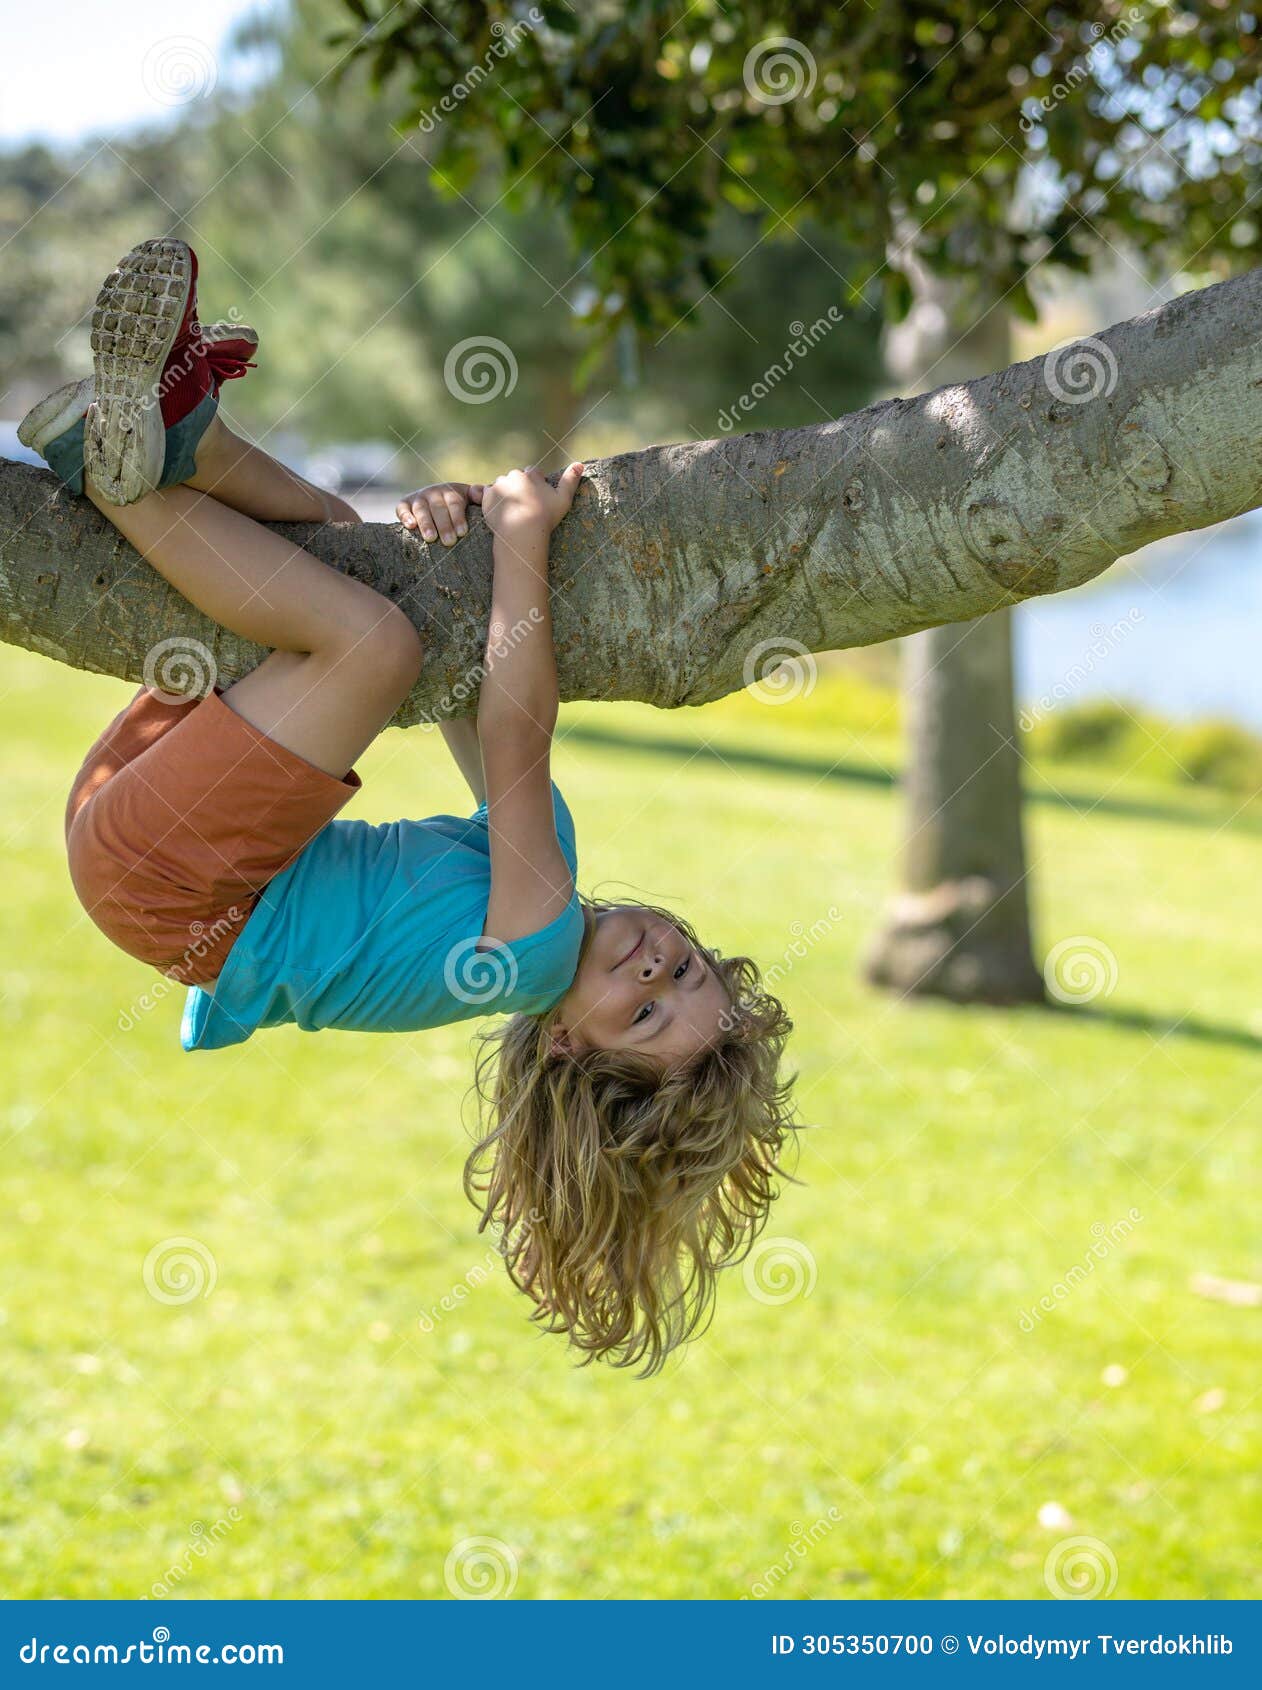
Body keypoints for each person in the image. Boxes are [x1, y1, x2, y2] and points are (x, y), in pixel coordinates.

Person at [20, 237, 799, 1374]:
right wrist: (443, 540)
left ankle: (108, 469)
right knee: (369, 578)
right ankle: (186, 434)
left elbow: (510, 731)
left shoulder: (531, 950)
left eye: (638, 1014)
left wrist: (522, 539)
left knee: (368, 642)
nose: (651, 968)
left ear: (571, 1053)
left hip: (172, 876)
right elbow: (467, 685)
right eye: (684, 971)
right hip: (150, 853)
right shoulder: (546, 900)